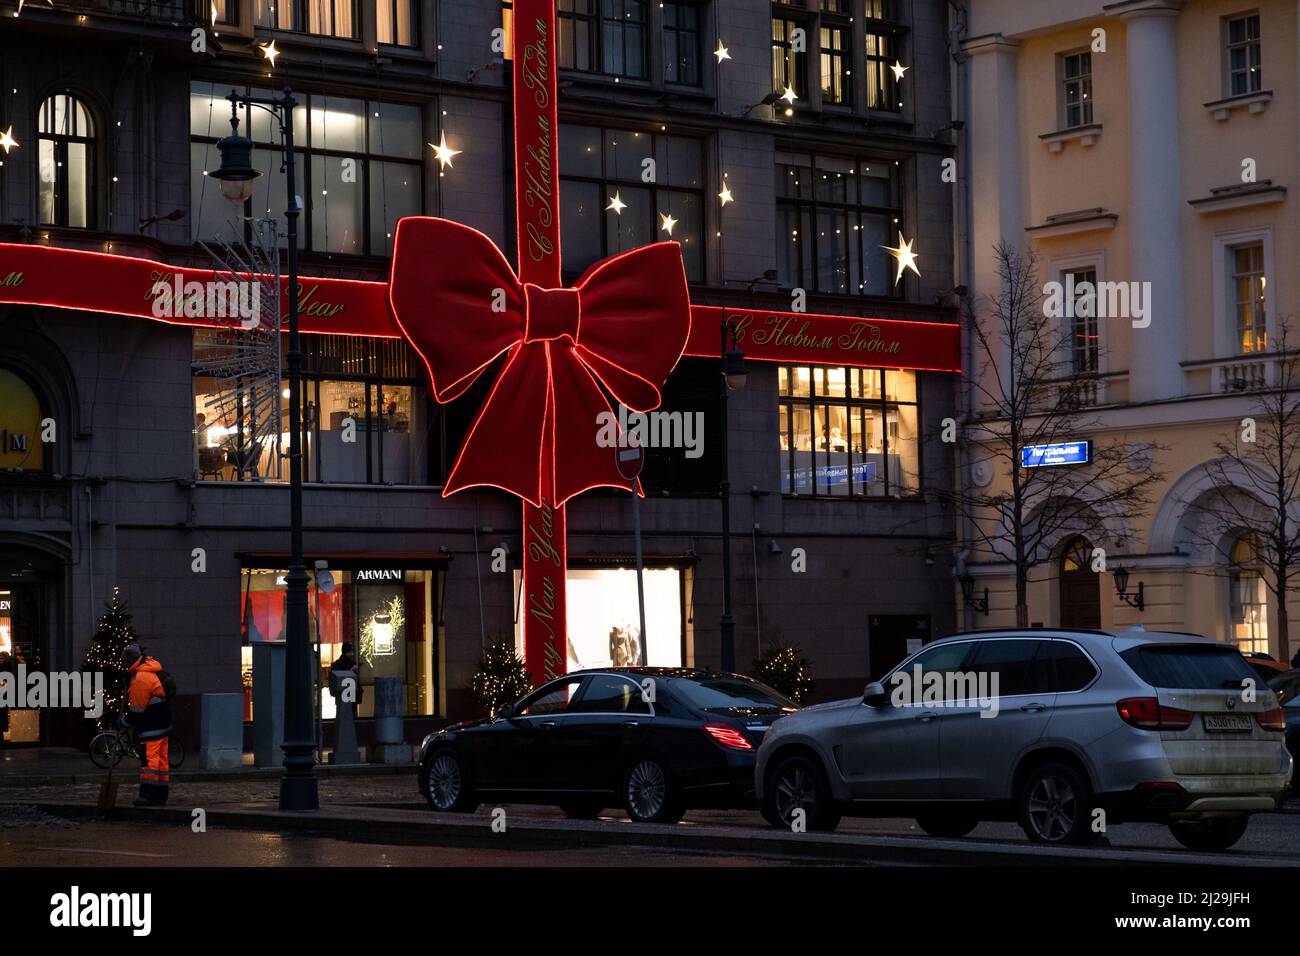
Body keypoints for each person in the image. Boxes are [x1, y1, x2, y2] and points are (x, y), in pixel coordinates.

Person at [122, 644, 172, 806]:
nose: (123, 664)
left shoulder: (140, 678)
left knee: (150, 762)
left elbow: (137, 711)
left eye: (124, 661)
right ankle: (160, 794)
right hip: (163, 723)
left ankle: (148, 795)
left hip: (151, 726)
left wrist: (122, 723)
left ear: (130, 660)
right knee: (161, 761)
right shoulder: (151, 669)